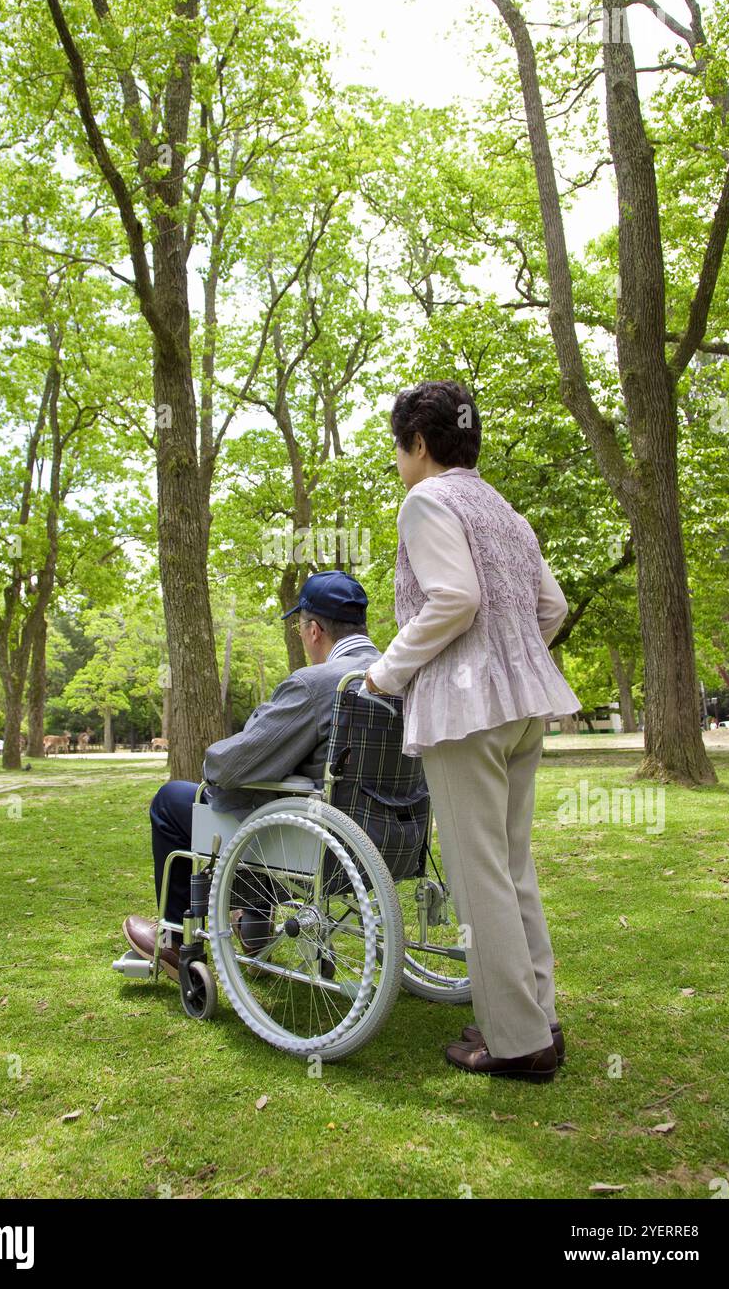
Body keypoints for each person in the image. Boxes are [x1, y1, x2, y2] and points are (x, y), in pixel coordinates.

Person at [365, 379, 581, 1084]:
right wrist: (512, 657)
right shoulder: (505, 512)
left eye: (399, 447)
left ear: (419, 443)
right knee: (513, 867)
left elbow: (455, 598)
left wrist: (388, 672)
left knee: (478, 875)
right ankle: (535, 1015)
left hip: (464, 713)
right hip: (523, 708)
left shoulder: (426, 500)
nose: (399, 461)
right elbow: (551, 607)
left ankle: (517, 1044)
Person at [123, 571, 382, 978]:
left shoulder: (316, 684)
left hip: (314, 842)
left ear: (314, 630)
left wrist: (227, 749)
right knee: (271, 790)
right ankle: (255, 923)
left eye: (300, 627)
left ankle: (174, 937)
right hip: (385, 836)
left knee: (176, 798)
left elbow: (228, 765)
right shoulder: (399, 675)